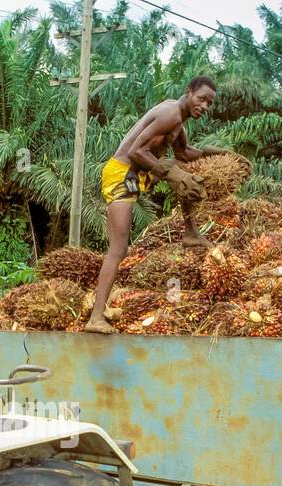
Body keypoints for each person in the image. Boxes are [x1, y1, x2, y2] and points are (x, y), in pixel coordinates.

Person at [84, 75, 228, 334]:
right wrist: (174, 174)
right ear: (188, 92)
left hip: (138, 174)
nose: (205, 107)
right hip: (121, 174)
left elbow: (184, 154)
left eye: (209, 103)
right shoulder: (170, 114)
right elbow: (135, 152)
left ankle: (191, 231)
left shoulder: (179, 124)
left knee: (186, 172)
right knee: (118, 249)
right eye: (202, 99)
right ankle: (96, 317)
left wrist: (215, 153)